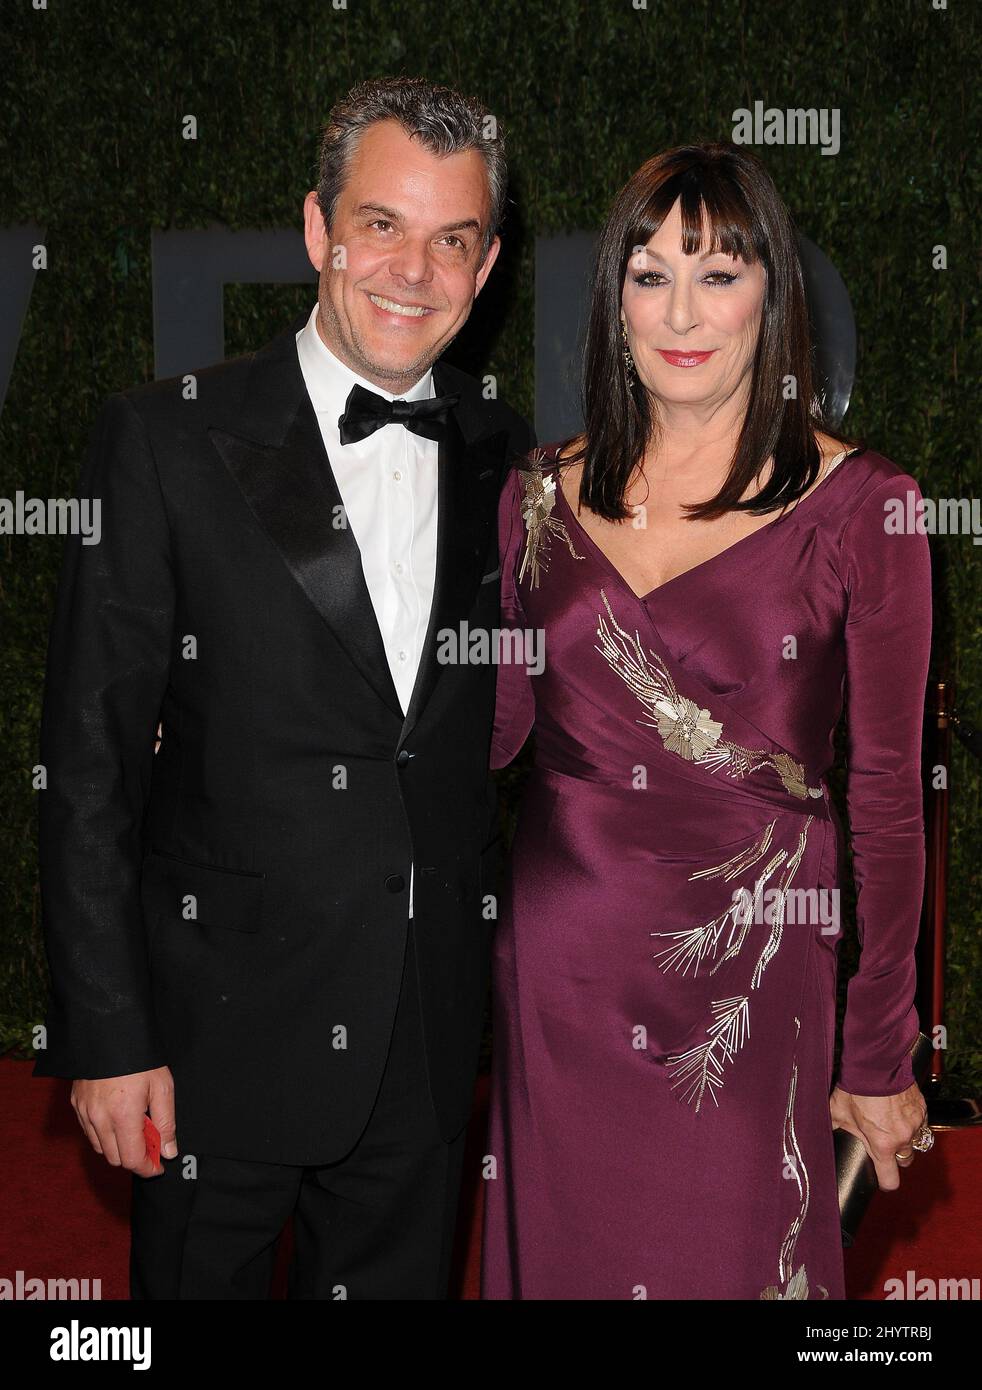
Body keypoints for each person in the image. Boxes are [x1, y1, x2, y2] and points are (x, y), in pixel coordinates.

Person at [33, 75, 535, 1300]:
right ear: (317, 231)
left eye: (450, 238)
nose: (413, 270)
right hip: (213, 1036)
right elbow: (87, 758)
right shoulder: (162, 439)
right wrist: (108, 1039)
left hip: (422, 1044)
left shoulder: (514, 456)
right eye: (381, 225)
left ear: (487, 265)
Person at [482, 142, 933, 1300]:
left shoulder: (865, 508)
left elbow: (885, 791)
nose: (680, 311)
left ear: (770, 294)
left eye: (718, 272)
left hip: (750, 982)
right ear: (611, 300)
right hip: (558, 981)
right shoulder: (534, 494)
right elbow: (479, 736)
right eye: (648, 273)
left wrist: (878, 1045)